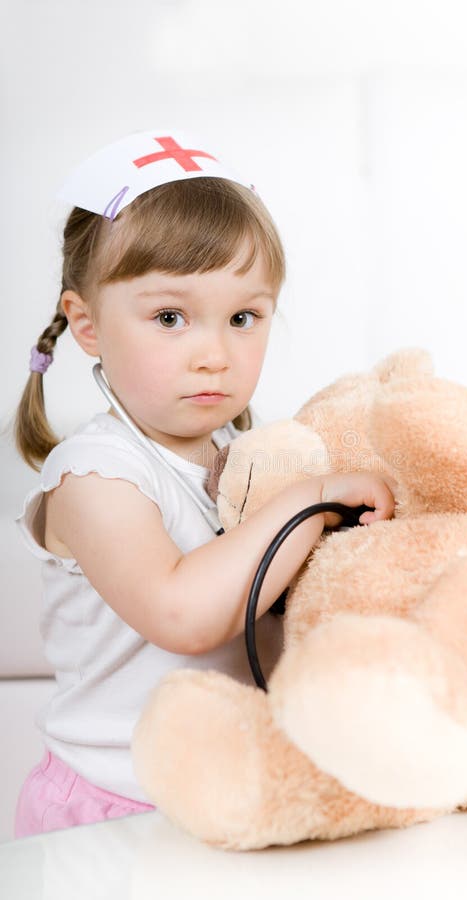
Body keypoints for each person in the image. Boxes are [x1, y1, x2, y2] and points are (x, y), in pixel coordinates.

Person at [10, 130, 395, 839]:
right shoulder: (94, 475)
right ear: (87, 326)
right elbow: (182, 616)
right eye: (169, 318)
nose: (214, 355)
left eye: (242, 318)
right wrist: (307, 503)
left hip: (233, 782)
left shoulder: (246, 458)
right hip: (117, 806)